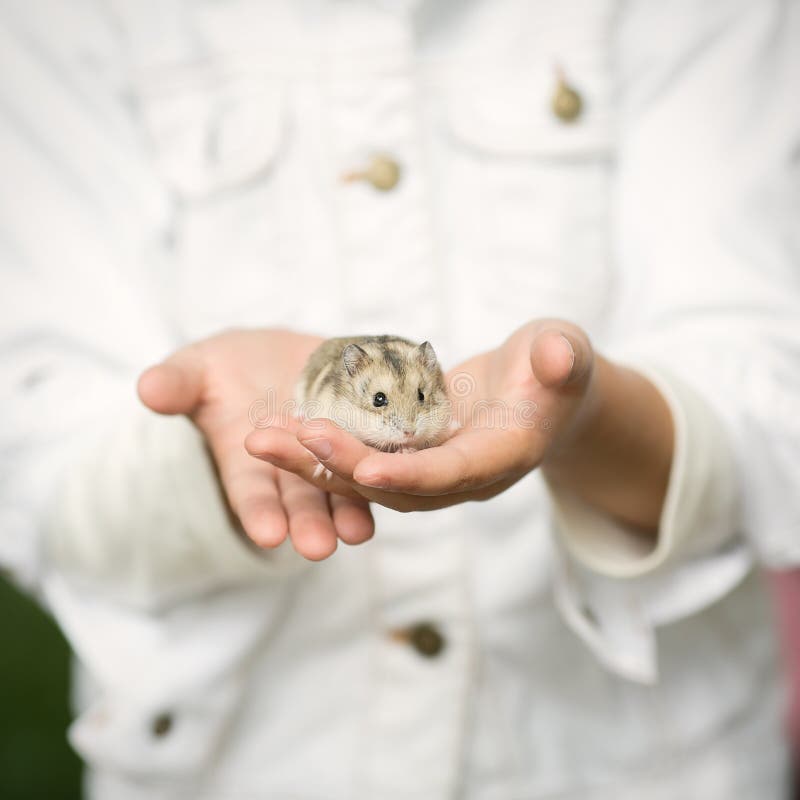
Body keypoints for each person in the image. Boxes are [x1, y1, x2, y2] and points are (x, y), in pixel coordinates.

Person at [1, 1, 798, 797]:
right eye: (384, 405)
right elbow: (38, 460)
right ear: (349, 392)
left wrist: (589, 417)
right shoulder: (60, 24)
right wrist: (205, 452)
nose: (408, 422)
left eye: (417, 398)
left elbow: (764, 383)